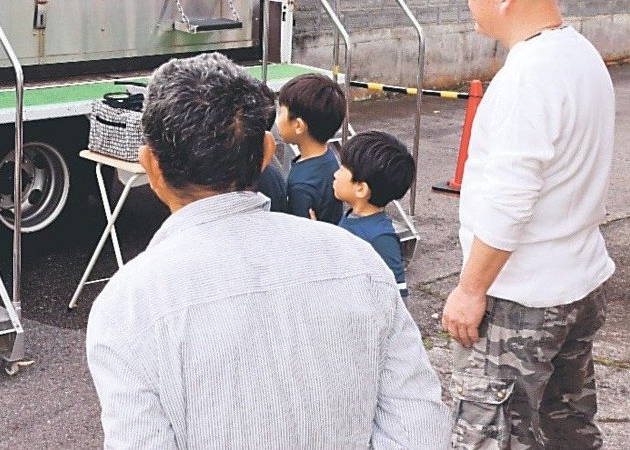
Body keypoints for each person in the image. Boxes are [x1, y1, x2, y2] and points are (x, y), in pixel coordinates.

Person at [86, 53, 450, 449]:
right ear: (265, 154)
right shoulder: (359, 261)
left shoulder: (128, 304)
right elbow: (419, 429)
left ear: (150, 167)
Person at [442, 0, 614, 450]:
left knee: (490, 435)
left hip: (523, 297)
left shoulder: (527, 77)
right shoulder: (581, 54)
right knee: (566, 427)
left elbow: (509, 201)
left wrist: (470, 290)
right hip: (579, 280)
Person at [334, 130, 414, 297]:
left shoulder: (380, 239)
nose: (335, 174)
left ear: (361, 189)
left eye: (341, 169)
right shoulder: (352, 216)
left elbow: (398, 294)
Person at [276, 72, 346, 223]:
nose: (277, 120)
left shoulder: (302, 185)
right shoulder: (328, 157)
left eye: (281, 112)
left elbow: (301, 233)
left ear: (298, 125)